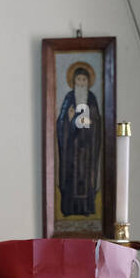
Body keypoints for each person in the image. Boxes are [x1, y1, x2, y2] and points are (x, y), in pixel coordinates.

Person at [56, 66, 102, 217]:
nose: (81, 82)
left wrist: (76, 119)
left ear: (88, 82)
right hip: (71, 149)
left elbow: (95, 121)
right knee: (71, 177)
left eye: (84, 79)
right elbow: (62, 121)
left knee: (86, 178)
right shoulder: (70, 97)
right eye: (78, 79)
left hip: (87, 149)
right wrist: (70, 121)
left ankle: (86, 208)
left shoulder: (92, 98)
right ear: (74, 81)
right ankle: (69, 209)